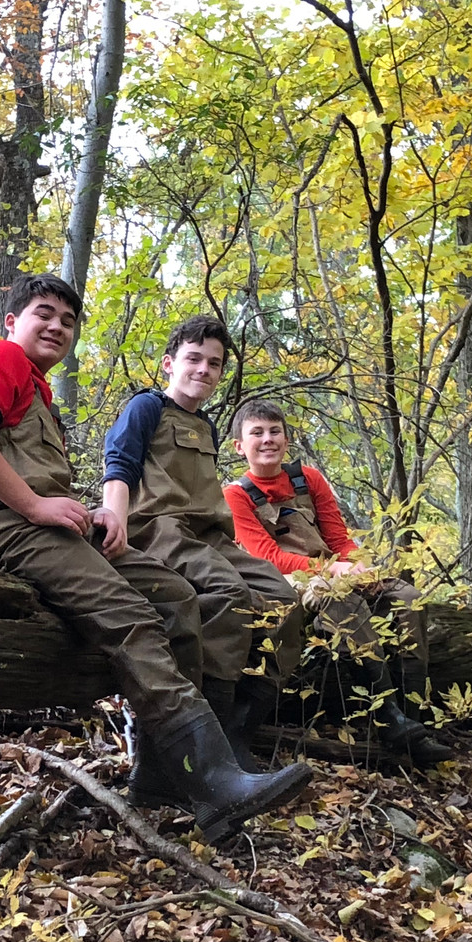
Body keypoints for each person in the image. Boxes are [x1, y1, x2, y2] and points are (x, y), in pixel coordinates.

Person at [0, 275, 310, 841]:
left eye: (67, 320)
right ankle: (212, 778)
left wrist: (94, 514)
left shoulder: (39, 390)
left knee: (178, 596)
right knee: (133, 613)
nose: (57, 327)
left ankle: (161, 774)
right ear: (11, 321)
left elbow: (27, 465)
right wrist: (36, 504)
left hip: (41, 520)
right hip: (0, 524)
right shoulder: (4, 357)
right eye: (44, 314)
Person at [99, 316, 306, 777]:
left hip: (210, 535)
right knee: (227, 595)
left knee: (283, 600)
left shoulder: (207, 427)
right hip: (158, 527)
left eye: (214, 364)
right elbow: (120, 465)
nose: (204, 370)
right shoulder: (145, 408)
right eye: (194, 359)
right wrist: (115, 525)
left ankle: (241, 727)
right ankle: (208, 741)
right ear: (170, 363)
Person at [225, 398, 452, 766]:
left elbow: (338, 537)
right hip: (286, 583)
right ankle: (389, 718)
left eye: (275, 431)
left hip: (336, 571)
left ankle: (416, 717)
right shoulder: (235, 495)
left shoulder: (308, 478)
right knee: (340, 597)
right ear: (240, 446)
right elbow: (268, 557)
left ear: (286, 438)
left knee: (409, 597)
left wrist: (358, 567)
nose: (268, 440)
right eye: (257, 433)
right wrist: (333, 572)